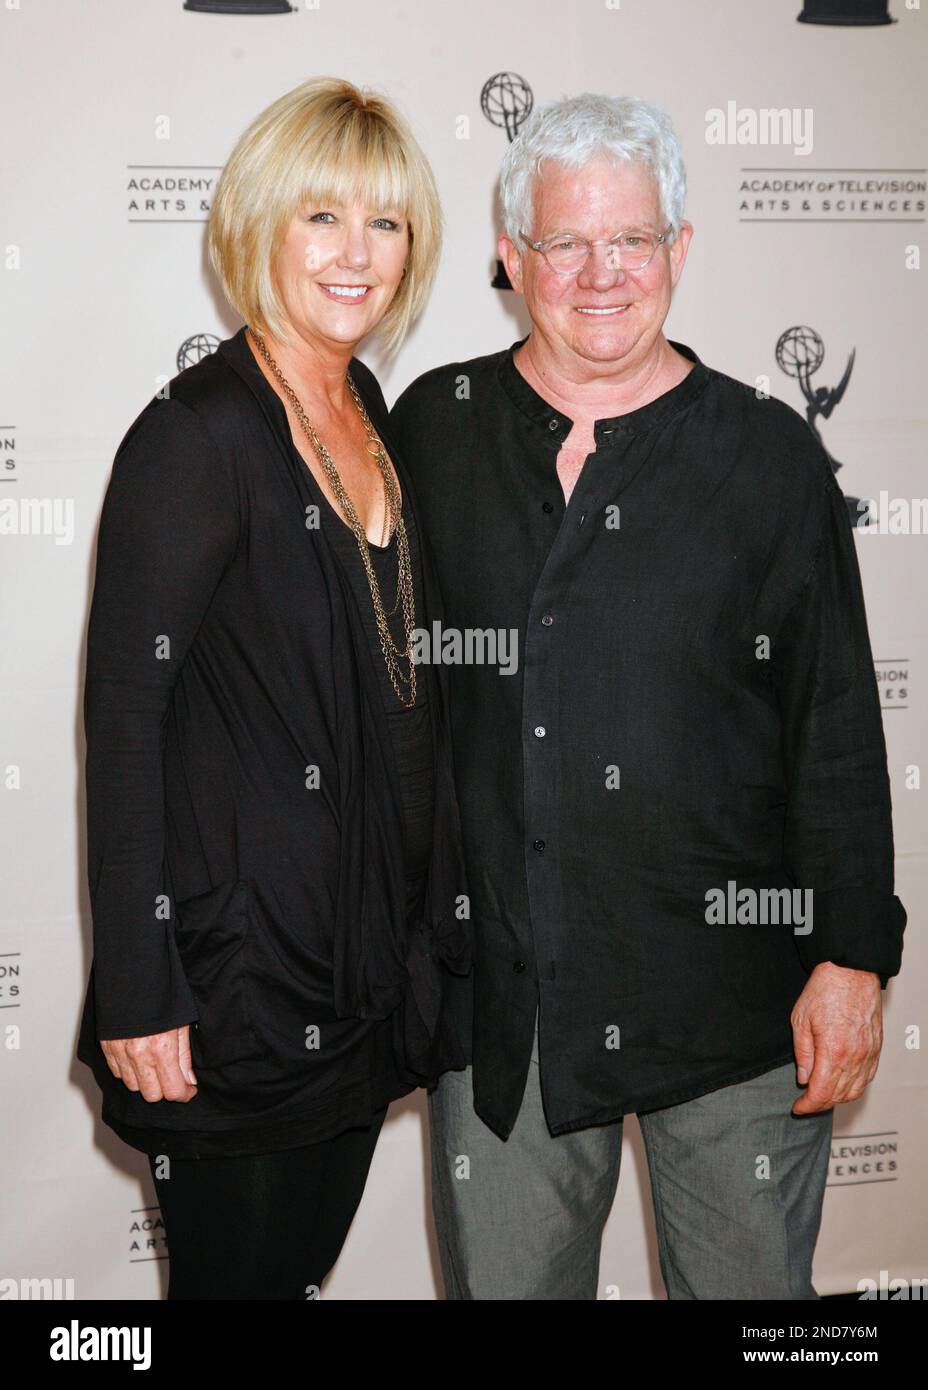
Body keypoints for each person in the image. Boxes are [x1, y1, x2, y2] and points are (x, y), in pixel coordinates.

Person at [389, 92, 906, 1300]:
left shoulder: (769, 456)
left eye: (631, 239)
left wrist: (848, 956)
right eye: (564, 242)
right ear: (511, 259)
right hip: (505, 1014)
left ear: (680, 248)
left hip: (735, 1006)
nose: (600, 274)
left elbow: (833, 720)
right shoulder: (434, 431)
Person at [77, 76, 470, 1301]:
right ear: (257, 226)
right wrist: (141, 985)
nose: (359, 255)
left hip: (359, 970)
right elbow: (125, 722)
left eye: (387, 222)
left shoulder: (367, 408)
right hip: (235, 983)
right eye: (322, 218)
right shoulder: (194, 438)